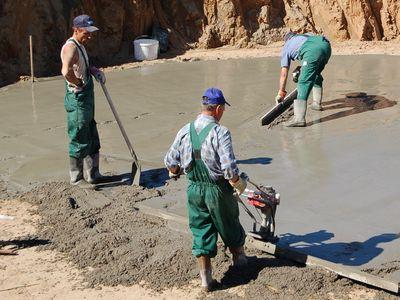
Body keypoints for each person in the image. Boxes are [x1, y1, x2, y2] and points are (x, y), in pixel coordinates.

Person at [164, 88, 248, 292]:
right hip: (217, 190)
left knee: (201, 231)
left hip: (194, 189)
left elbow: (170, 161)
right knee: (230, 226)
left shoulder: (185, 129)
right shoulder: (221, 132)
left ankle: (206, 281)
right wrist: (238, 183)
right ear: (218, 109)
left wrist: (174, 171)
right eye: (223, 109)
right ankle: (242, 267)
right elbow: (228, 168)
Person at [60, 14, 106, 186]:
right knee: (79, 135)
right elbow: (66, 71)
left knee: (91, 133)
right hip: (77, 98)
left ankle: (93, 174)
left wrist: (93, 70)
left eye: (90, 32)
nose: (89, 36)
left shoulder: (80, 45)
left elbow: (81, 66)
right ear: (76, 30)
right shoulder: (70, 47)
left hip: (86, 97)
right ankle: (77, 178)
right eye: (86, 32)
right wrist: (77, 82)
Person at [275, 32, 332, 127]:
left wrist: (281, 92)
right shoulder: (305, 35)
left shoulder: (287, 46)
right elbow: (313, 47)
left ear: (287, 40)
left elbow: (284, 73)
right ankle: (316, 104)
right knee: (315, 74)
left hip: (312, 50)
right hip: (326, 46)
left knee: (303, 82)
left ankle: (299, 119)